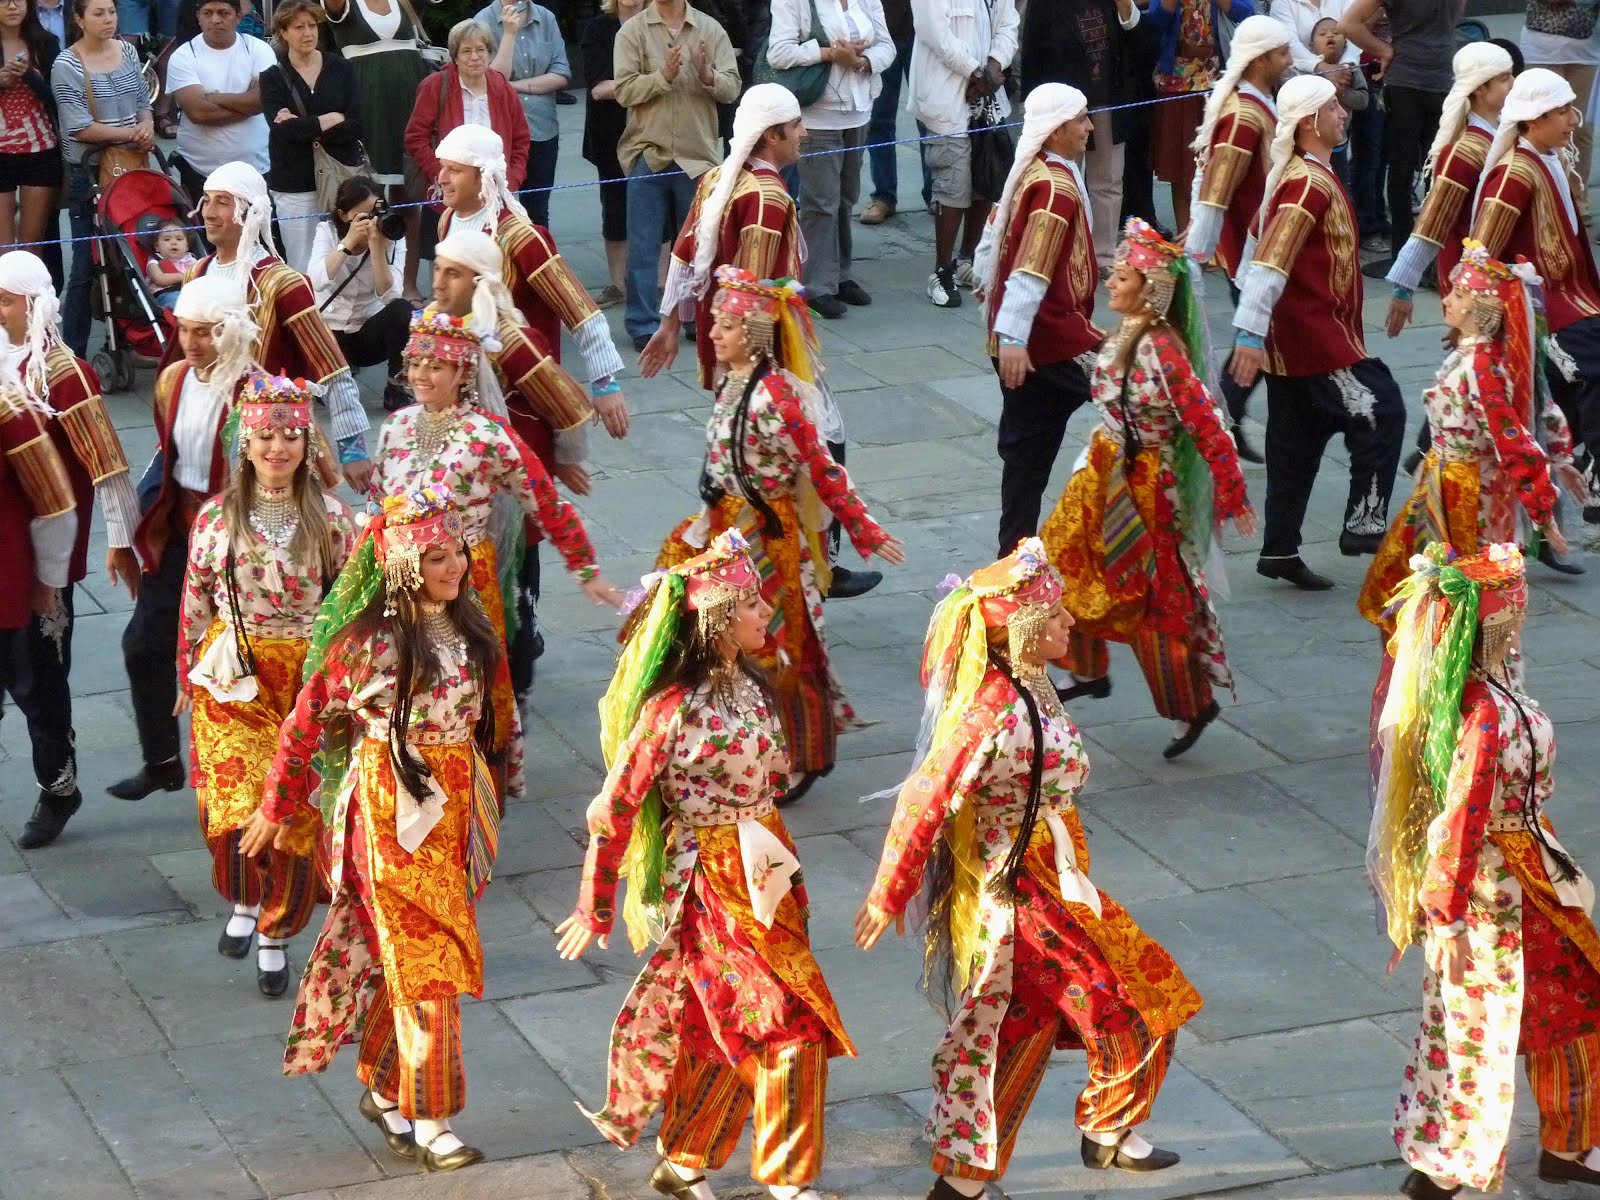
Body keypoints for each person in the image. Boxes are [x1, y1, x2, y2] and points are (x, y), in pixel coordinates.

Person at [854, 540, 1201, 1200]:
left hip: (1054, 875)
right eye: (1057, 616)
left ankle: (970, 1179)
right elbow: (924, 796)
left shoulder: (1032, 685)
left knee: (1017, 1031)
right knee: (1132, 1004)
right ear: (1023, 630)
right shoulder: (993, 711)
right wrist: (888, 893)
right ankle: (1103, 1127)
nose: (1070, 624)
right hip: (1022, 892)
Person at [555, 528, 855, 1200]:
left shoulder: (749, 682)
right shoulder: (670, 709)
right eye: (749, 604)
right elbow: (615, 806)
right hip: (710, 883)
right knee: (785, 1028)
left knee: (722, 1017)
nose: (765, 611)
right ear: (716, 619)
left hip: (768, 869)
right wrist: (594, 904)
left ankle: (687, 1155)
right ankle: (790, 1182)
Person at [249, 485, 503, 1173]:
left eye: (456, 552)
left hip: (456, 807)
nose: (456, 566)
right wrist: (277, 807)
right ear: (403, 568)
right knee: (428, 960)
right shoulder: (369, 645)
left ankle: (388, 1090)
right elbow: (303, 723)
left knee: (408, 955)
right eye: (438, 557)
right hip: (393, 812)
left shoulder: (467, 623)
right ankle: (433, 1120)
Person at [1371, 542, 1600, 1200]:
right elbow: (1460, 818)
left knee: (1573, 1003)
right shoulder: (1483, 713)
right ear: (1497, 623)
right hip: (1495, 896)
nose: (1524, 616)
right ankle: (1445, 1166)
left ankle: (1566, 1143)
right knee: (1477, 1023)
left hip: (1529, 875)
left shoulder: (1490, 689)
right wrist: (1444, 918)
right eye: (1516, 609)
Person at [659, 267, 904, 804]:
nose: (713, 334)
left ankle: (794, 751)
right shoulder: (731, 381)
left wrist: (864, 529)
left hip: (764, 535)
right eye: (714, 323)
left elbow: (822, 468)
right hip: (724, 524)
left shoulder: (778, 398)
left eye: (725, 326)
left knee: (775, 642)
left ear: (753, 334)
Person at [372, 306, 618, 786]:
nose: (421, 374)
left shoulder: (486, 436)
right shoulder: (395, 427)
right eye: (416, 363)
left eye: (435, 366)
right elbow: (377, 506)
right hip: (398, 579)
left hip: (461, 582)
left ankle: (472, 787)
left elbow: (545, 501)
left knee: (464, 686)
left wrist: (586, 568)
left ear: (464, 373)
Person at [1039, 219, 1253, 758]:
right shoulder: (1126, 332)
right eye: (1113, 273)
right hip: (1103, 471)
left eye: (1121, 276)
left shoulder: (1161, 350)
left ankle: (1190, 703)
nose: (1110, 283)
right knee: (1060, 563)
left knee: (1152, 600)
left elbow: (1207, 423)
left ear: (1150, 289)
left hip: (1145, 491)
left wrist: (1233, 493)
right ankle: (1083, 667)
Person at [176, 372, 356, 996]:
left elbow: (351, 609)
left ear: (307, 444)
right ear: (245, 445)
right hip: (235, 675)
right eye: (265, 437)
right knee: (235, 803)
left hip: (308, 679)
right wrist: (184, 671)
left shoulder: (333, 520)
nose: (277, 447)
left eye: (290, 436)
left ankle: (276, 931)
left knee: (292, 809)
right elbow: (195, 599)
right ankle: (245, 897)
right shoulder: (214, 520)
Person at [1229, 73, 1405, 589]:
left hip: (1301, 335)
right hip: (1314, 337)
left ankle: (1279, 550)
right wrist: (1250, 333)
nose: (1343, 113)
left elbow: (1253, 251)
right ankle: (1364, 524)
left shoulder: (1302, 175)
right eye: (1332, 108)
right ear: (1310, 122)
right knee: (1381, 407)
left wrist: (1257, 326)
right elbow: (1269, 260)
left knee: (1295, 445)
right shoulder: (1306, 182)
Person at [1359, 243, 1582, 636]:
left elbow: (1513, 439)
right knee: (1405, 587)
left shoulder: (1482, 370)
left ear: (1483, 310)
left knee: (1452, 599)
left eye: (1459, 295)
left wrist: (1543, 511)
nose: (1446, 300)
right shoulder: (1469, 359)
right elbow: (1537, 415)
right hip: (1443, 482)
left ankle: (1461, 666)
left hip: (1469, 494)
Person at [427, 228, 612, 699]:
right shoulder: (431, 328)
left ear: (479, 282)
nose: (439, 282)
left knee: (513, 597)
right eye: (437, 270)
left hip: (509, 493)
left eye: (452, 274)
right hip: (449, 498)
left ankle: (515, 685)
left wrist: (563, 460)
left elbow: (568, 405)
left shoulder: (508, 338)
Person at [0, 249, 138, 847]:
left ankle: (59, 786)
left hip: (43, 553)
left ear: (34, 304)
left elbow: (107, 465)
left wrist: (122, 541)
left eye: (6, 301)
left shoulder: (65, 374)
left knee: (40, 679)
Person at [112, 276, 260, 803]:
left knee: (234, 663)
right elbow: (165, 453)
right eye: (185, 330)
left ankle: (246, 780)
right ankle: (162, 761)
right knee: (143, 645)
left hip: (242, 547)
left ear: (230, 331)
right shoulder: (172, 379)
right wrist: (125, 533)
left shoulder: (257, 391)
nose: (190, 342)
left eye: (204, 332)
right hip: (180, 532)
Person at [162, 161, 374, 494]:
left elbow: (332, 368)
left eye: (222, 202)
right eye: (206, 200)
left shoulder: (281, 282)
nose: (208, 212)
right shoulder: (196, 274)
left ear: (250, 212)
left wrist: (353, 449)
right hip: (202, 437)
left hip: (270, 443)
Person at [431, 124, 631, 435]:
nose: (442, 178)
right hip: (466, 390)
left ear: (483, 176)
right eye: (442, 167)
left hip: (522, 396)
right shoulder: (447, 221)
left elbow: (580, 311)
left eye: (454, 170)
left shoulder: (522, 237)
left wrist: (605, 384)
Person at [971, 84, 1102, 560]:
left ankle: (1015, 557)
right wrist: (1012, 336)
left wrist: (987, 283)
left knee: (1028, 454)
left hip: (1033, 336)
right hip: (1049, 339)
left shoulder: (1039, 171)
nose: (1090, 127)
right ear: (1056, 129)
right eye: (1081, 119)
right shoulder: (1053, 188)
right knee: (1141, 399)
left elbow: (993, 230)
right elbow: (1031, 269)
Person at [1470, 69, 1600, 521]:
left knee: (1557, 412)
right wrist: (1480, 333)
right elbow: (1480, 257)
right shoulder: (1515, 173)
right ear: (1534, 118)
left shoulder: (1548, 159)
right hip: (1542, 315)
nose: (1573, 120)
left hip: (1576, 303)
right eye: (1562, 111)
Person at [1182, 14, 1294, 465]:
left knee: (1264, 337)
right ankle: (1221, 420)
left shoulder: (1256, 103)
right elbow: (1217, 189)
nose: (1289, 60)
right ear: (1260, 60)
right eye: (1282, 53)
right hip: (1252, 249)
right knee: (1263, 337)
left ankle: (1225, 418)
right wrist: (1197, 249)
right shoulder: (1244, 114)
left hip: (1265, 243)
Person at [640, 84, 804, 391]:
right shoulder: (766, 197)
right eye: (796, 125)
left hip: (721, 343)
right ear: (772, 136)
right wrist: (742, 372)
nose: (803, 133)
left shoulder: (716, 176)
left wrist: (669, 325)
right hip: (752, 357)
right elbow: (750, 292)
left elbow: (683, 255)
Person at [612, 0, 741, 346]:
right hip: (648, 153)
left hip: (697, 158)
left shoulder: (710, 29)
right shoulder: (632, 31)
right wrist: (663, 77)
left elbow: (733, 87)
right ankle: (643, 324)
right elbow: (623, 91)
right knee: (643, 247)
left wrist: (707, 74)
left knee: (700, 247)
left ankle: (696, 318)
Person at [767, 0, 894, 319]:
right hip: (817, 116)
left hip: (859, 111)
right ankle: (815, 285)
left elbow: (887, 46)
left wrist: (861, 61)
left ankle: (839, 274)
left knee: (847, 196)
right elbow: (778, 53)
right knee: (821, 202)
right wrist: (827, 54)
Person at [1385, 42, 1516, 335]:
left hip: (1500, 268)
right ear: (1480, 88)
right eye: (1505, 78)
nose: (1513, 83)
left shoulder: (1501, 132)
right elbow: (1432, 226)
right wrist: (1403, 288)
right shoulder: (1464, 152)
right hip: (1470, 279)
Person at [50, 0, 152, 358]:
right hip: (89, 171)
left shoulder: (128, 51)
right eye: (98, 13)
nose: (108, 19)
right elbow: (78, 127)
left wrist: (146, 125)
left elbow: (143, 101)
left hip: (132, 166)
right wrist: (130, 134)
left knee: (134, 251)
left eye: (111, 11)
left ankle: (129, 336)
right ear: (79, 19)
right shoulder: (67, 64)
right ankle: (73, 352)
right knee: (85, 263)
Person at [318, 0, 433, 306]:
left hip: (409, 106)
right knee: (367, 201)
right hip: (367, 110)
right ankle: (367, 293)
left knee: (410, 200)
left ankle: (408, 285)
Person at [909, 0, 1018, 308]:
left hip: (988, 95)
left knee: (986, 180)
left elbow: (1008, 25)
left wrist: (993, 68)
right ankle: (941, 271)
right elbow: (935, 34)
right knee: (953, 185)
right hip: (946, 95)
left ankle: (965, 261)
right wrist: (975, 72)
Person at [1019, 0, 1141, 271]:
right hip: (1063, 101)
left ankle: (1103, 256)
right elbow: (1032, 44)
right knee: (1060, 177)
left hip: (1108, 96)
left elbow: (1135, 33)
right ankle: (1059, 252)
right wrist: (1033, 103)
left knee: (1108, 180)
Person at [1339, 0, 1455, 266]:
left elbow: (1349, 24)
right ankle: (1408, 254)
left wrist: (1386, 50)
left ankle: (1424, 254)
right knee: (1409, 170)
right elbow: (1348, 24)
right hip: (1412, 80)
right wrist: (1385, 49)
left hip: (1435, 77)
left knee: (1433, 170)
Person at [259, 0, 365, 276]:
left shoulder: (342, 68)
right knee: (302, 264)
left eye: (312, 25)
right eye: (298, 27)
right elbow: (283, 133)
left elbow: (356, 125)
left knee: (346, 259)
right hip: (294, 183)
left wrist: (302, 124)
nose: (307, 33)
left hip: (341, 176)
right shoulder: (272, 78)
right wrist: (331, 118)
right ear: (283, 32)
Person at [1146, 0, 1256, 233]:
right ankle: (1185, 239)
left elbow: (1247, 13)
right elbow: (1154, 21)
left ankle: (1219, 239)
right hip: (1175, 84)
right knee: (1180, 169)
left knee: (1221, 164)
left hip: (1218, 82)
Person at [403, 18, 531, 215]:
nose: (475, 57)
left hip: (496, 196)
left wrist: (511, 180)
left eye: (480, 50)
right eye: (466, 51)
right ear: (455, 57)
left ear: (489, 53)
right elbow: (415, 137)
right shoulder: (434, 86)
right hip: (446, 197)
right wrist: (443, 175)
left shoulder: (503, 88)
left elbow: (521, 139)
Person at [309, 176, 411, 414]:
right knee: (334, 397)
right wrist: (347, 243)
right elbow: (315, 281)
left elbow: (392, 296)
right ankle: (332, 378)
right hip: (330, 334)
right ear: (343, 215)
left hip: (368, 332)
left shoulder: (393, 237)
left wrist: (377, 249)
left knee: (403, 310)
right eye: (363, 217)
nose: (372, 223)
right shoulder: (328, 231)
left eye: (376, 214)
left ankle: (395, 386)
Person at [164, 0, 277, 200]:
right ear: (198, 18)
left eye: (223, 13)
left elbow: (262, 101)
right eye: (208, 13)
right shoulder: (183, 56)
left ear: (238, 16)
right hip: (200, 173)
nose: (215, 20)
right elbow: (199, 113)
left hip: (257, 171)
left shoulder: (259, 49)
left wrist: (214, 97)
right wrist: (249, 104)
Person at [474, 0, 569, 228]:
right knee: (496, 210)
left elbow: (561, 74)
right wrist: (509, 34)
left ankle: (537, 251)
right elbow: (493, 81)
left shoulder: (546, 18)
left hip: (542, 128)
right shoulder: (482, 21)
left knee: (538, 212)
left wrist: (513, 87)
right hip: (500, 132)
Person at [579, 0, 643, 308]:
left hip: (654, 130)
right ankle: (618, 284)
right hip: (610, 134)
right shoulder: (598, 28)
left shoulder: (658, 24)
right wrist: (652, 83)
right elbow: (599, 88)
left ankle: (659, 283)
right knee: (615, 207)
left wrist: (631, 85)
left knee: (662, 207)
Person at [1520, 0, 1600, 220]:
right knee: (1539, 125)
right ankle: (1539, 196)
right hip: (1540, 51)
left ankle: (1578, 199)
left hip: (1586, 54)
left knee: (1580, 128)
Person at [0, 0, 61, 262]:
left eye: (19, 0)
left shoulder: (46, 43)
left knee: (32, 250)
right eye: (4, 1)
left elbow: (59, 99)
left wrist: (30, 76)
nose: (12, 6)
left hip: (40, 149)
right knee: (3, 251)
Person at [858, 0, 915, 226]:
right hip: (882, 33)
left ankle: (936, 194)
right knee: (880, 120)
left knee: (930, 116)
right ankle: (883, 196)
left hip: (927, 35)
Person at [146, 218, 200, 309]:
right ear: (157, 247)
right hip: (167, 294)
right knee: (177, 300)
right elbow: (159, 279)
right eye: (167, 239)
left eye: (179, 239)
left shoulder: (191, 260)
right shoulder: (155, 261)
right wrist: (183, 276)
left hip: (191, 294)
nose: (173, 243)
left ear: (187, 246)